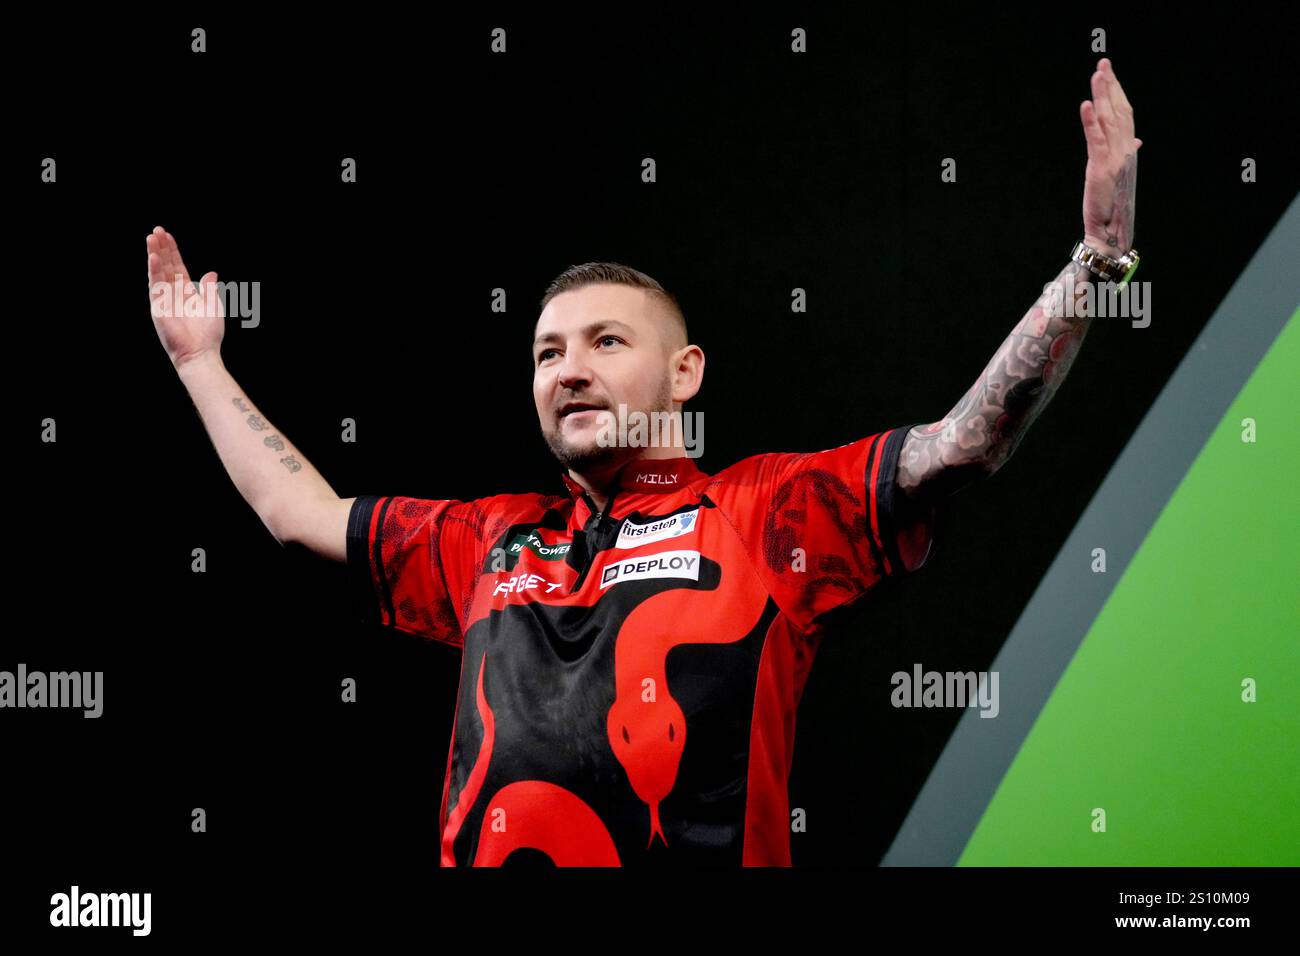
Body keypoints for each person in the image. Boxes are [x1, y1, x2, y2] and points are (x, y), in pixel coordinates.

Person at [145, 58, 1140, 866]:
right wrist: (199, 363)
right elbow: (297, 510)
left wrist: (1094, 263)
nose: (568, 370)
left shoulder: (765, 513)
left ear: (684, 372)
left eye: (604, 343)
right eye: (546, 352)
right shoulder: (487, 540)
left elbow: (965, 439)